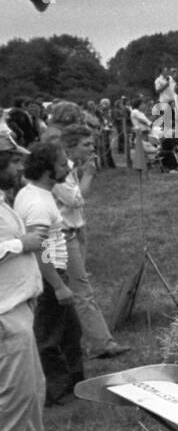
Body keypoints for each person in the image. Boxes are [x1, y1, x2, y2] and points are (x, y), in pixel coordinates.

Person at [0, 149, 63, 431]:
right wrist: (19, 244)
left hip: (18, 304)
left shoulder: (4, 201)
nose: (19, 169)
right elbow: (12, 245)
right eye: (12, 164)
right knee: (14, 396)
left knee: (32, 388)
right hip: (4, 310)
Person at [14, 141, 84, 406]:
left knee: (71, 332)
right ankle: (56, 392)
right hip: (49, 276)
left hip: (54, 272)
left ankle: (75, 384)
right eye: (61, 162)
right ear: (46, 170)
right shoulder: (37, 203)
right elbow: (38, 247)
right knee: (48, 337)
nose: (68, 166)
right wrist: (58, 285)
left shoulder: (37, 193)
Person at [53, 125, 130, 359]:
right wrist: (88, 175)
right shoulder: (58, 172)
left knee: (74, 288)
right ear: (70, 146)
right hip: (61, 236)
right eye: (86, 144)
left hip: (75, 230)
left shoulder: (69, 168)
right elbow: (75, 200)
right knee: (81, 290)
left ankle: (74, 340)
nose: (92, 148)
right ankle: (100, 343)